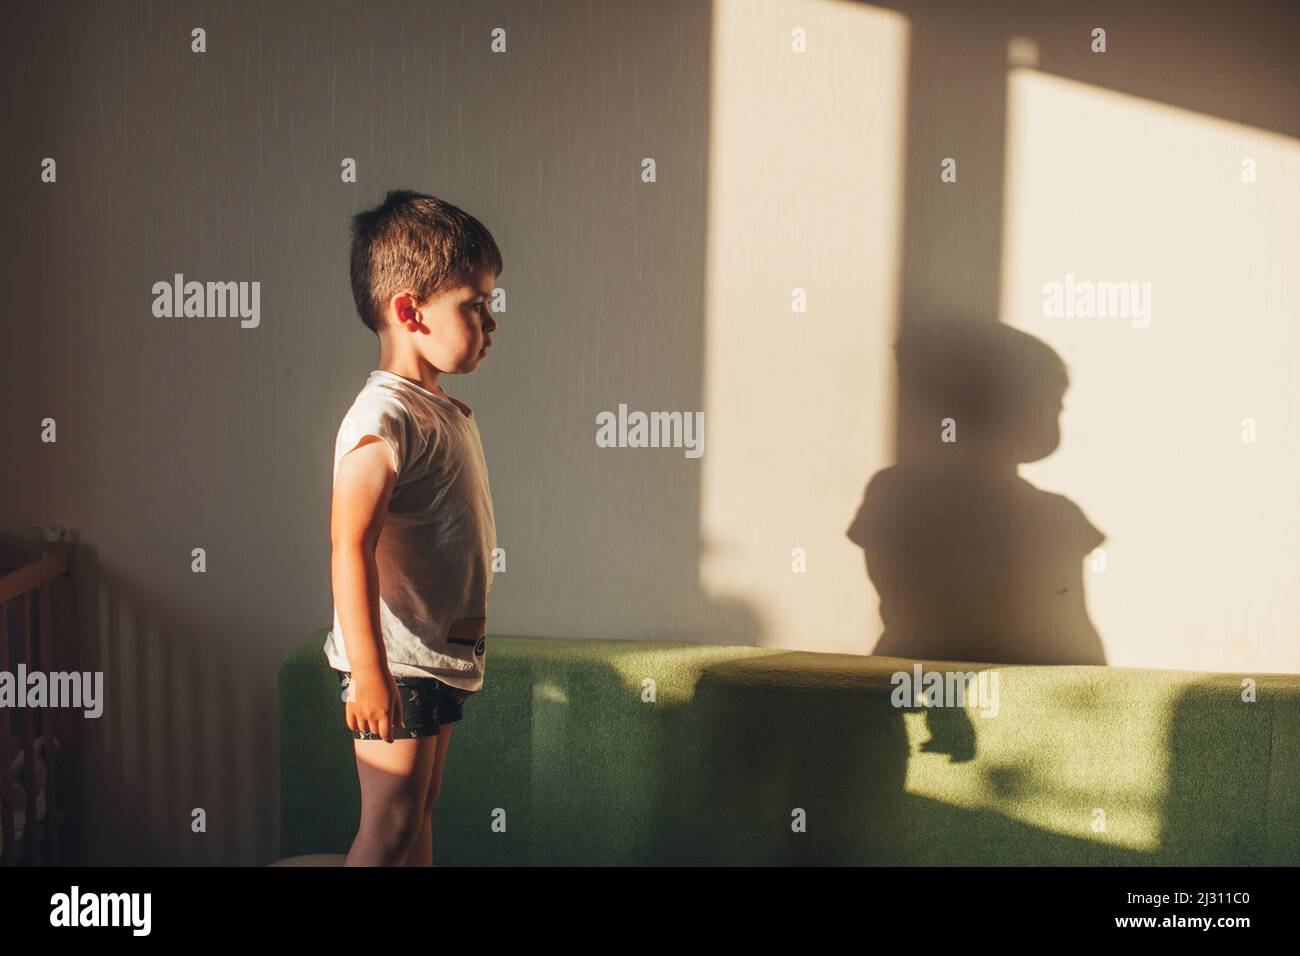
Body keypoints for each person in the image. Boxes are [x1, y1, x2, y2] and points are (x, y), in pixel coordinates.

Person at [324, 189, 502, 866]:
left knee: (418, 810)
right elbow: (349, 544)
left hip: (438, 654)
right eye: (475, 305)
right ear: (409, 311)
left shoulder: (438, 410)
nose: (490, 321)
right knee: (390, 823)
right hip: (396, 659)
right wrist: (368, 671)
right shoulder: (382, 416)